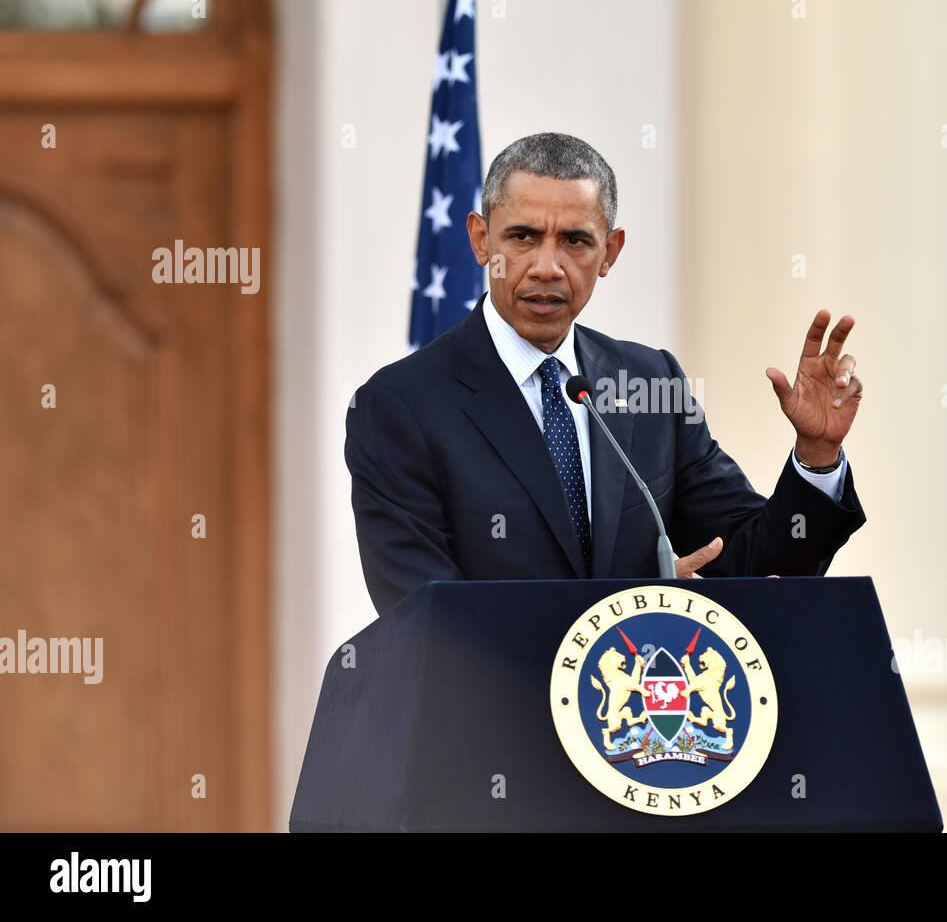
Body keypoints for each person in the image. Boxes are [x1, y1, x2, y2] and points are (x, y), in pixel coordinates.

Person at [346, 133, 867, 615]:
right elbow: (427, 616)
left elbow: (754, 565)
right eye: (523, 237)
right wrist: (629, 609)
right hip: (489, 717)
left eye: (575, 241)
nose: (548, 267)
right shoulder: (400, 406)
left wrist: (816, 455)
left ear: (609, 253)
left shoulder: (648, 383)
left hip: (641, 712)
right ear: (481, 240)